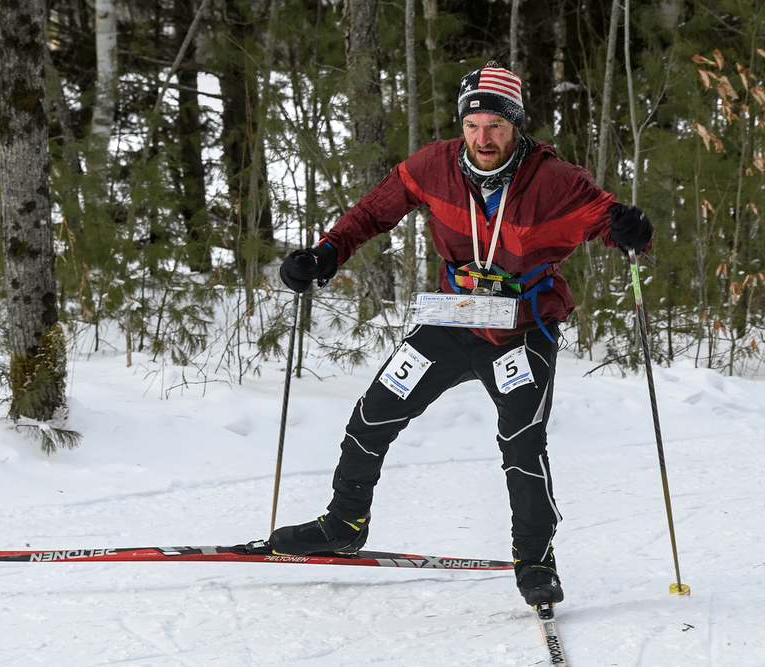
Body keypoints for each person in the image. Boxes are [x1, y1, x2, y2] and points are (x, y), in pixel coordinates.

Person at [271, 61, 653, 609]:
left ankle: (536, 561)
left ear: (516, 126)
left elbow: (606, 218)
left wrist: (629, 229)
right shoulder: (433, 165)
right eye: (474, 125)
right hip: (451, 320)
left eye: (496, 125)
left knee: (522, 444)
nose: (483, 137)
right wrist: (325, 253)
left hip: (522, 328)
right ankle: (343, 526)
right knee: (374, 414)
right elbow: (371, 214)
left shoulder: (553, 181)